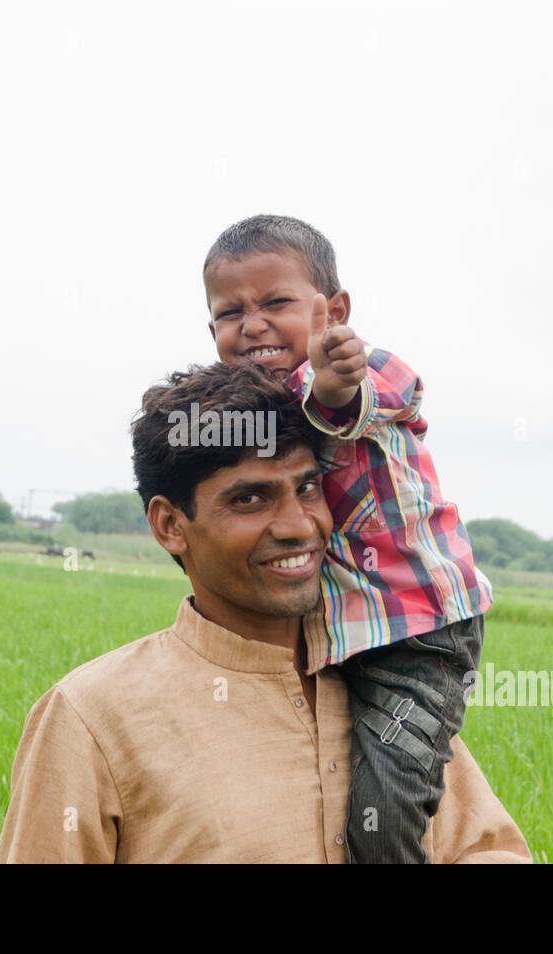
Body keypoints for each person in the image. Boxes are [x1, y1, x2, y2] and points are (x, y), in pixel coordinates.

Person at [0, 362, 528, 863]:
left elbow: (488, 846)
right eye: (251, 499)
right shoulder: (91, 716)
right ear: (169, 526)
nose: (298, 524)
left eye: (307, 487)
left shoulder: (385, 677)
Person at [202, 215, 493, 863]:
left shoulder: (363, 367)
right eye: (230, 312)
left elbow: (347, 399)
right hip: (332, 639)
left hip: (417, 638)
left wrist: (334, 384)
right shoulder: (257, 406)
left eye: (275, 302)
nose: (251, 324)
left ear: (333, 310)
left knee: (381, 817)